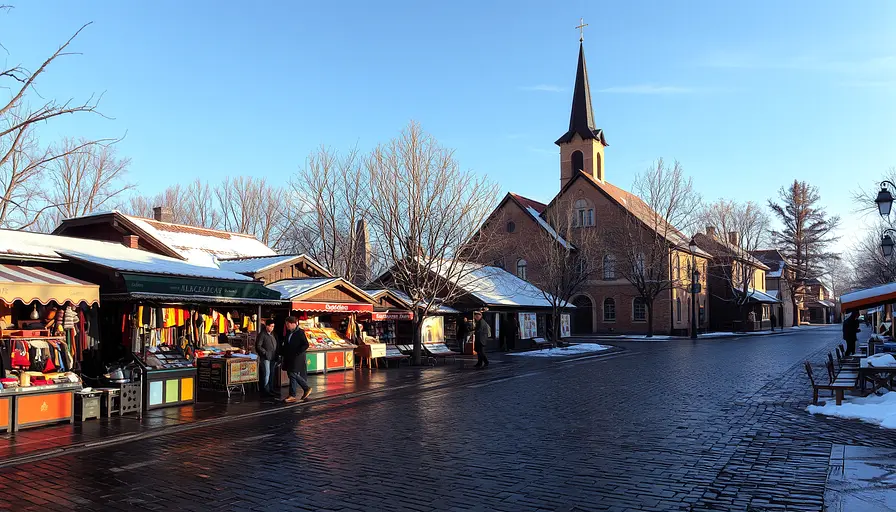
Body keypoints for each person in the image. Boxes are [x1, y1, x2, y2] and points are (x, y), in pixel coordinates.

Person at [282, 316, 312, 402]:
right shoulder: (288, 332)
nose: (287, 326)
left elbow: (305, 344)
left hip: (297, 357)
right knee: (291, 374)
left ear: (293, 324)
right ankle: (293, 395)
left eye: (288, 324)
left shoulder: (300, 332)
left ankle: (305, 388)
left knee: (292, 373)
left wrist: (298, 352)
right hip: (289, 356)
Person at [255, 319, 278, 397]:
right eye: (271, 326)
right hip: (266, 357)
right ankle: (265, 389)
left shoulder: (272, 334)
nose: (272, 328)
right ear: (267, 326)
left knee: (271, 373)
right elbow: (258, 346)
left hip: (273, 357)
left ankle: (271, 388)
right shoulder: (262, 334)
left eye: (273, 326)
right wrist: (265, 353)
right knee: (266, 373)